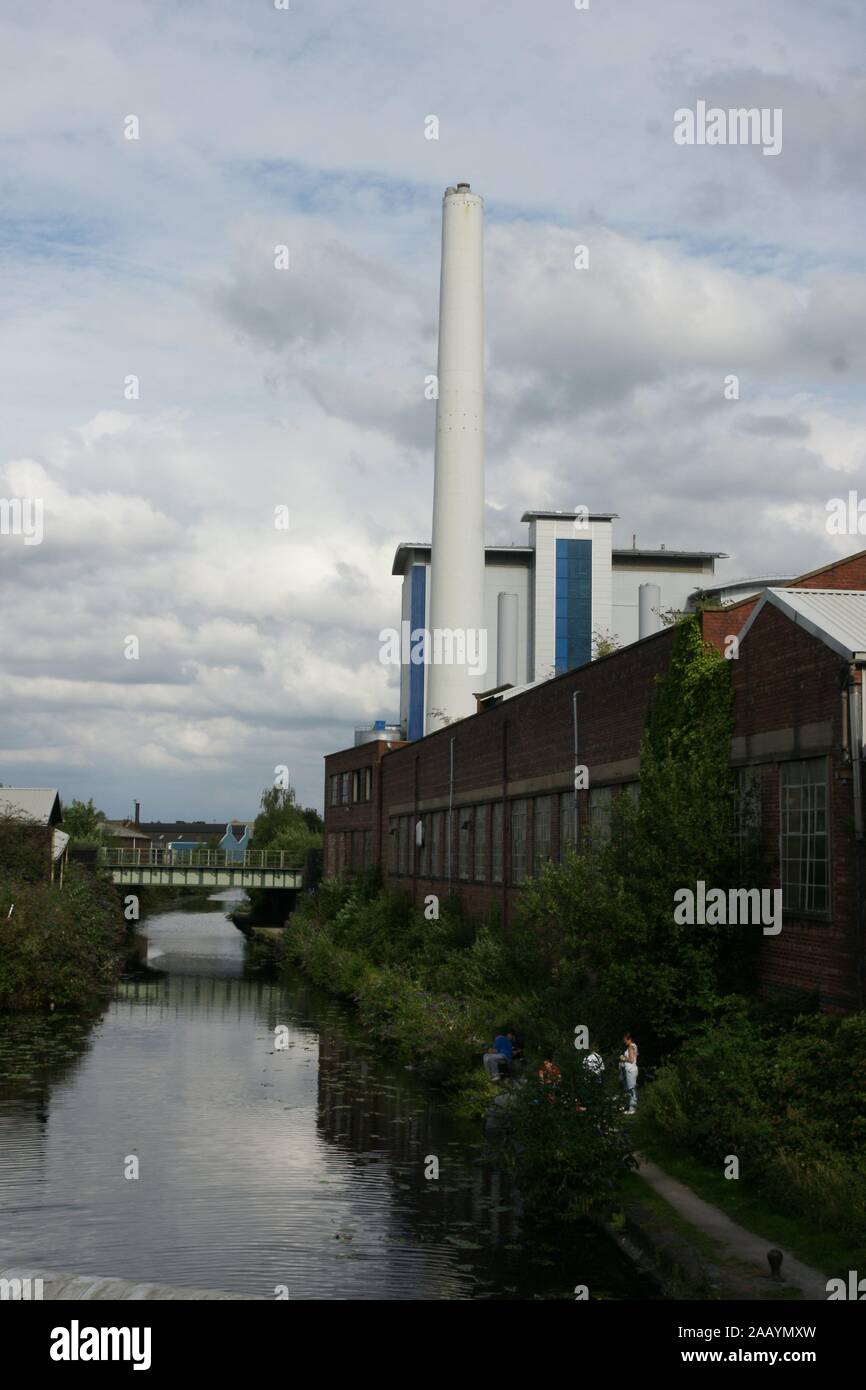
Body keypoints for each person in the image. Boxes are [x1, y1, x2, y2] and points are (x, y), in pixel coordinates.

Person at [619, 1032, 639, 1113]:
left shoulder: (631, 1047)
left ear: (629, 1039)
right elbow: (636, 1055)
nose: (624, 1042)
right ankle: (629, 1106)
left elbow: (631, 1060)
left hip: (630, 1070)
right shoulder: (634, 1046)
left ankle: (632, 1108)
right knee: (630, 1089)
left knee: (631, 1089)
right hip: (632, 1069)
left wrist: (623, 1058)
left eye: (625, 1040)